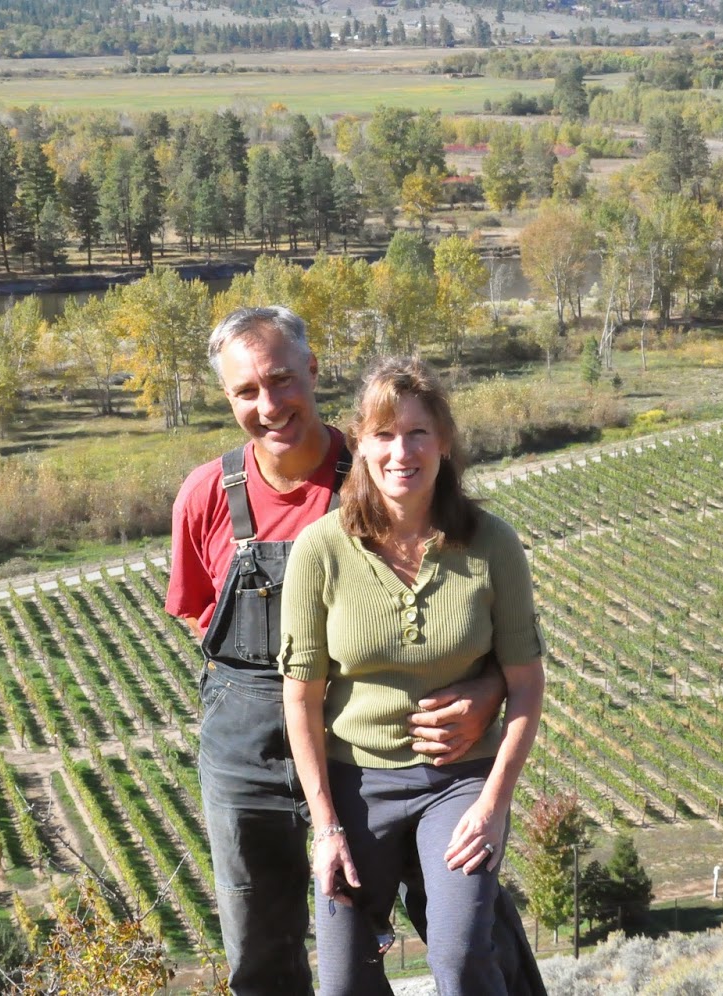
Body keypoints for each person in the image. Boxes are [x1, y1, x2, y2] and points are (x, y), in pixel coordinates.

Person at [165, 307, 544, 996]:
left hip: (387, 747)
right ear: (227, 398)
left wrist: (487, 690)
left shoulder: (380, 466)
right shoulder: (205, 495)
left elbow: (481, 625)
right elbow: (198, 615)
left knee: (471, 931)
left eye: (281, 379)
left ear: (312, 372)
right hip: (249, 750)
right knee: (259, 944)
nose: (269, 405)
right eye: (246, 391)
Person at [281, 356, 545, 996]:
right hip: (354, 785)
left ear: (444, 442)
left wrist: (493, 806)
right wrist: (326, 828)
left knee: (460, 957)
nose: (402, 452)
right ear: (361, 445)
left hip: (457, 783)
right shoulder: (320, 549)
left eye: (418, 433)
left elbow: (527, 685)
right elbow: (301, 699)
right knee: (344, 982)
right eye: (384, 434)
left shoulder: (492, 545)